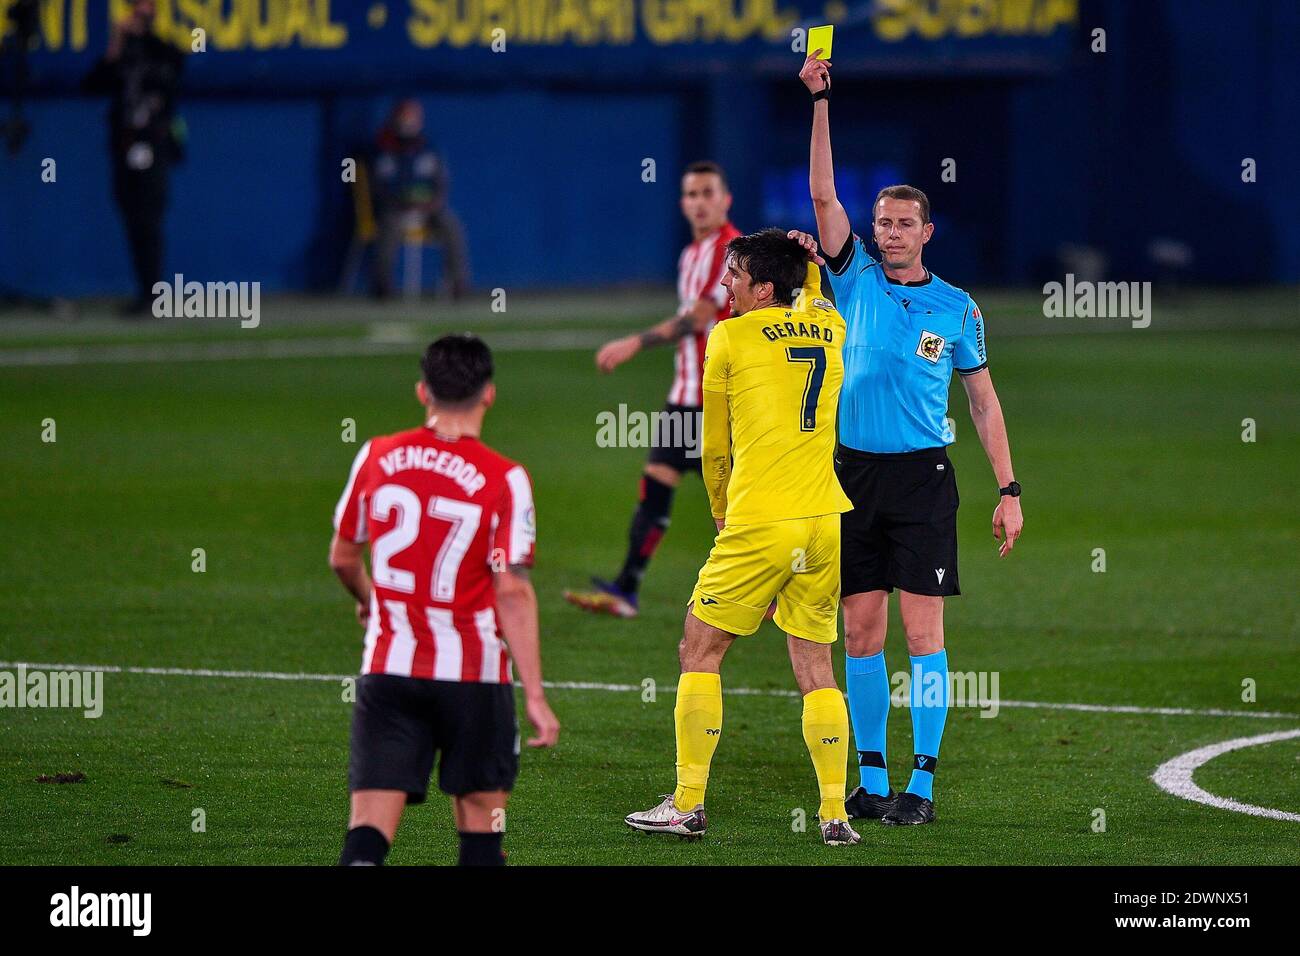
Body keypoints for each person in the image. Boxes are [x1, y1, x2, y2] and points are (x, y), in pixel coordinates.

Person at [793, 51, 1024, 827]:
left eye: (903, 223)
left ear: (927, 230)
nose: (890, 232)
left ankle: (921, 786)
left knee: (923, 632)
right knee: (860, 629)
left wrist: (1009, 490)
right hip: (849, 474)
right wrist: (823, 101)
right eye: (882, 221)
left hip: (924, 479)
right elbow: (823, 191)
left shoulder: (958, 308)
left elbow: (985, 405)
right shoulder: (850, 276)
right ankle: (870, 775)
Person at [624, 229, 859, 846]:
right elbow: (810, 294)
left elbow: (716, 445)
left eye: (735, 274)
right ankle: (834, 814)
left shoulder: (727, 337)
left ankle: (687, 804)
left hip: (761, 517)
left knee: (698, 650)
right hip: (824, 521)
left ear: (763, 288)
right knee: (815, 665)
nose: (724, 284)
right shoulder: (830, 328)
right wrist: (808, 265)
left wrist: (722, 510)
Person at [330, 334, 560, 866]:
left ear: (421, 392)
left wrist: (370, 601)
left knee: (365, 837)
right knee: (483, 838)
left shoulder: (377, 456)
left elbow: (343, 557)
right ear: (490, 395)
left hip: (389, 671)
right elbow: (512, 588)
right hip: (475, 680)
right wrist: (536, 696)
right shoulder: (506, 477)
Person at [564, 161, 741, 619]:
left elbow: (697, 319)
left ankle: (773, 592)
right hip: (685, 395)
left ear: (726, 200)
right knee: (656, 486)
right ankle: (626, 588)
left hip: (720, 401)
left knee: (732, 507)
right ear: (683, 203)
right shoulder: (690, 254)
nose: (699, 202)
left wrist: (633, 343)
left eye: (707, 193)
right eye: (691, 194)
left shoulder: (730, 250)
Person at [82, 0, 183, 316]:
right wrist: (117, 40)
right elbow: (93, 85)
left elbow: (173, 71)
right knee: (132, 218)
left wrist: (143, 38)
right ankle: (146, 293)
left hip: (153, 146)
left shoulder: (162, 50)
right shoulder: (121, 54)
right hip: (124, 148)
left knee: (148, 221)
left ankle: (154, 294)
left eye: (145, 11)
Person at [370, 99, 470, 300]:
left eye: (412, 118)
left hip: (427, 208)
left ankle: (458, 283)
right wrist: (401, 202)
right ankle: (382, 287)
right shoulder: (383, 149)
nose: (408, 123)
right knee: (389, 227)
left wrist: (431, 203)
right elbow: (379, 188)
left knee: (451, 224)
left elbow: (441, 184)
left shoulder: (428, 148)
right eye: (404, 117)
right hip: (396, 208)